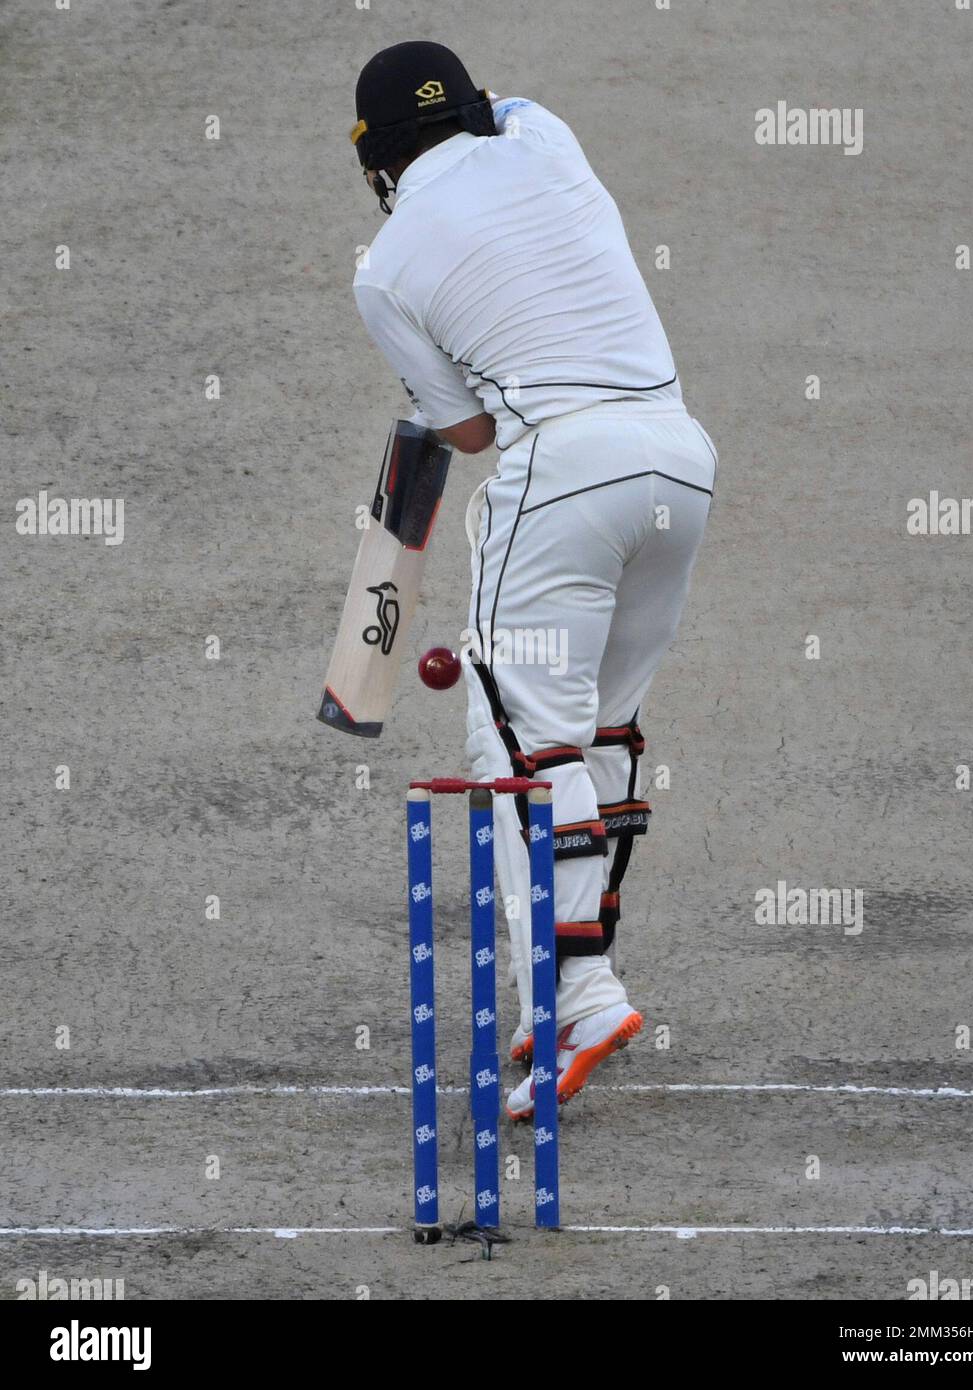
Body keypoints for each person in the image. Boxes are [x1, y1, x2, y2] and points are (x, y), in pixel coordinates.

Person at [350, 41, 717, 1119]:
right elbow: (503, 109)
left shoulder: (383, 270)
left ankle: (580, 994)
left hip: (559, 474)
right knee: (600, 733)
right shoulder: (544, 135)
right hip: (677, 460)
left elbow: (464, 430)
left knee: (515, 751)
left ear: (373, 158)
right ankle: (564, 985)